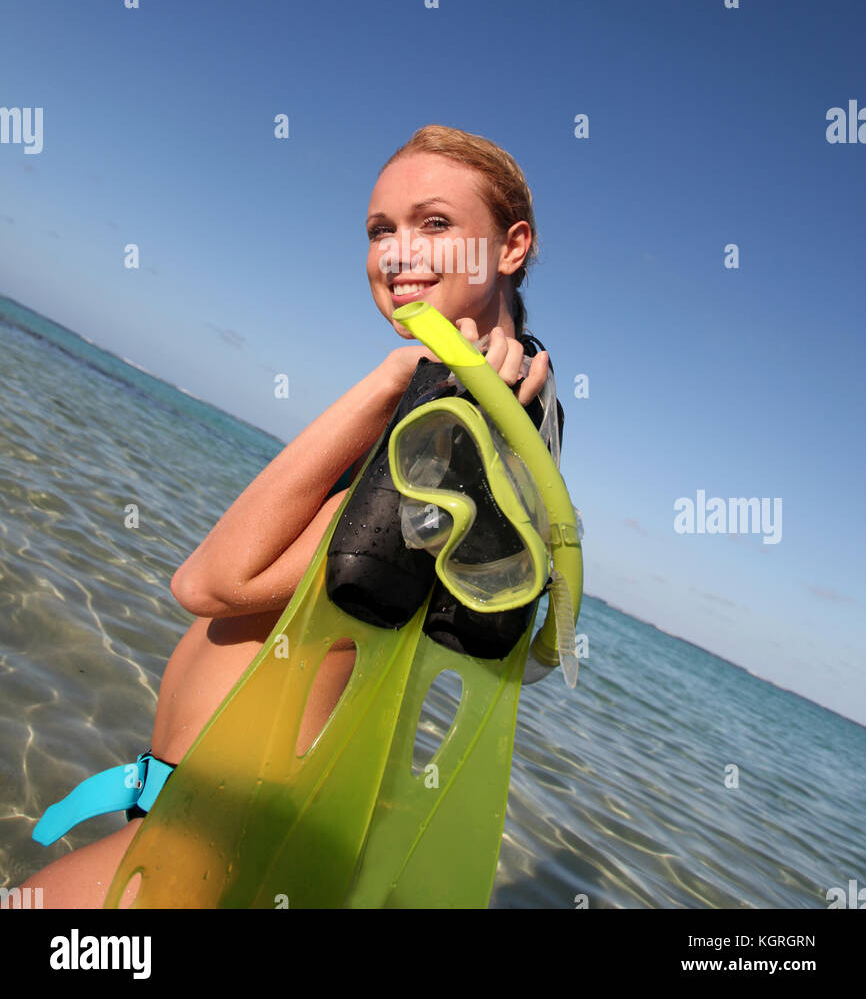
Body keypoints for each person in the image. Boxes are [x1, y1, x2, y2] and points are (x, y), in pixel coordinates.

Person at [19, 124, 556, 908]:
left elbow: (210, 583)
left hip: (223, 836)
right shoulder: (457, 408)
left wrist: (388, 382)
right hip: (202, 817)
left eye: (434, 223)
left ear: (510, 248)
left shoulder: (458, 434)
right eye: (381, 230)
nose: (396, 253)